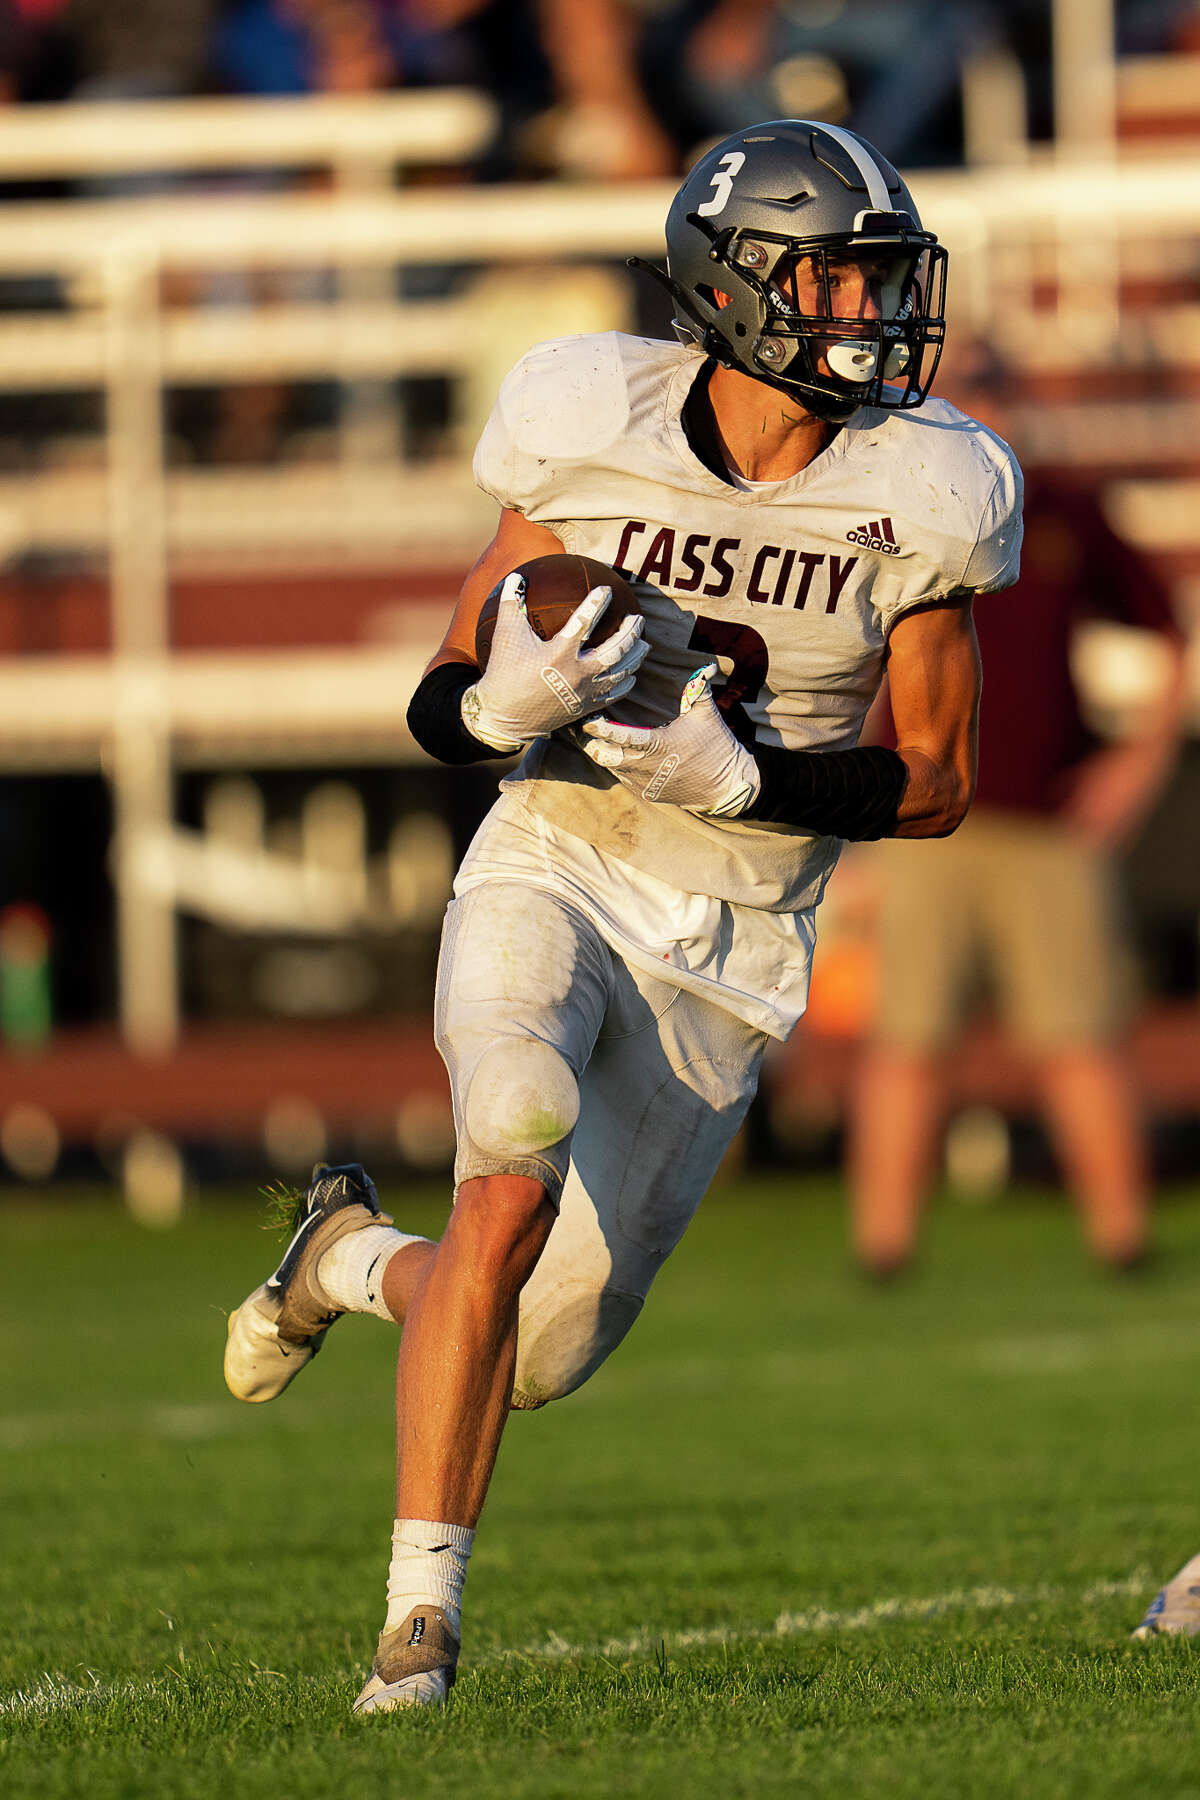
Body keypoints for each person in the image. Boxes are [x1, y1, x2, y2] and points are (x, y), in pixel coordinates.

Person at [223, 118, 1022, 1710]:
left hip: (733, 939)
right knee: (510, 1139)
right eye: (834, 279)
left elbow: (935, 782)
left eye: (878, 282)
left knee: (536, 1349)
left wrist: (751, 785)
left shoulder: (930, 483)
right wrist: (498, 696)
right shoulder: (592, 415)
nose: (870, 313)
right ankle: (418, 1632)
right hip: (558, 854)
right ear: (733, 286)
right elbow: (443, 702)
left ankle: (342, 1257)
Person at [847, 409, 1187, 1277]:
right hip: (923, 818)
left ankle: (1123, 1243)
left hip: (1047, 827)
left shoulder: (1063, 509)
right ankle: (882, 1253)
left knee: (1082, 1038)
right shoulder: (891, 506)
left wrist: (1132, 769)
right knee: (908, 1041)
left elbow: (1169, 639)